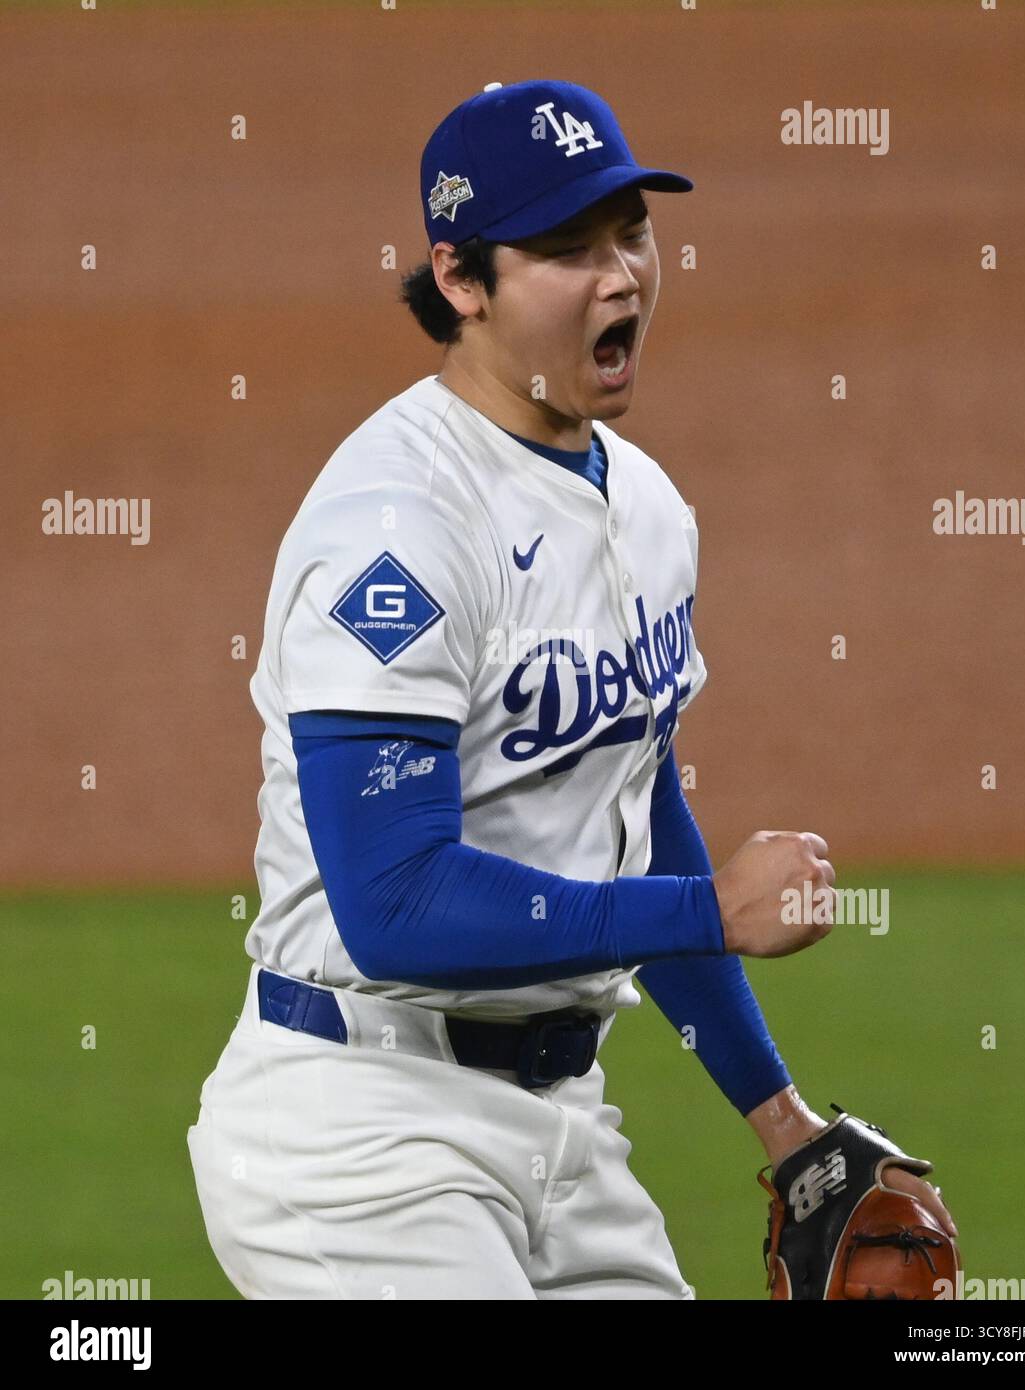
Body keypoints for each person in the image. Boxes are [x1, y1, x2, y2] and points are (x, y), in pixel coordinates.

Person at [186, 79, 956, 1300]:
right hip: (357, 1133)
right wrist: (707, 910)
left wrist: (781, 1123)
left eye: (630, 233)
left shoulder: (644, 505)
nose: (620, 277)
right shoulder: (395, 533)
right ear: (459, 279)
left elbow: (632, 808)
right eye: (562, 249)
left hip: (564, 1128)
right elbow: (393, 898)